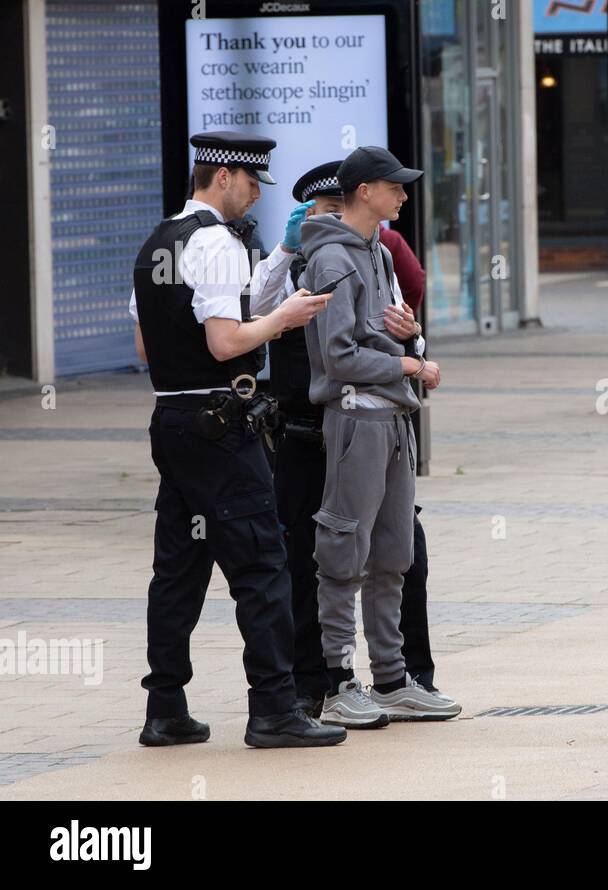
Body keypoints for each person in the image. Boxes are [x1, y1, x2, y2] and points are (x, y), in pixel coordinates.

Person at [128, 131, 345, 748]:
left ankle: (165, 707)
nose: (254, 198)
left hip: (170, 421)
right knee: (262, 563)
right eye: (252, 184)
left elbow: (145, 347)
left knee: (178, 566)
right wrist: (282, 318)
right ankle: (274, 708)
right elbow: (226, 343)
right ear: (223, 176)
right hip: (219, 426)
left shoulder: (156, 244)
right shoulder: (215, 243)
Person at [250, 160, 459, 721]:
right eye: (395, 189)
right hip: (353, 420)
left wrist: (409, 339)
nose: (403, 198)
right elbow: (339, 356)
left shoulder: (380, 252)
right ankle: (339, 684)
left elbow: (385, 332)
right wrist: (411, 365)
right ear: (364, 193)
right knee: (342, 554)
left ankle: (391, 679)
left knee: (394, 552)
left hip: (391, 419)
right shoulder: (333, 256)